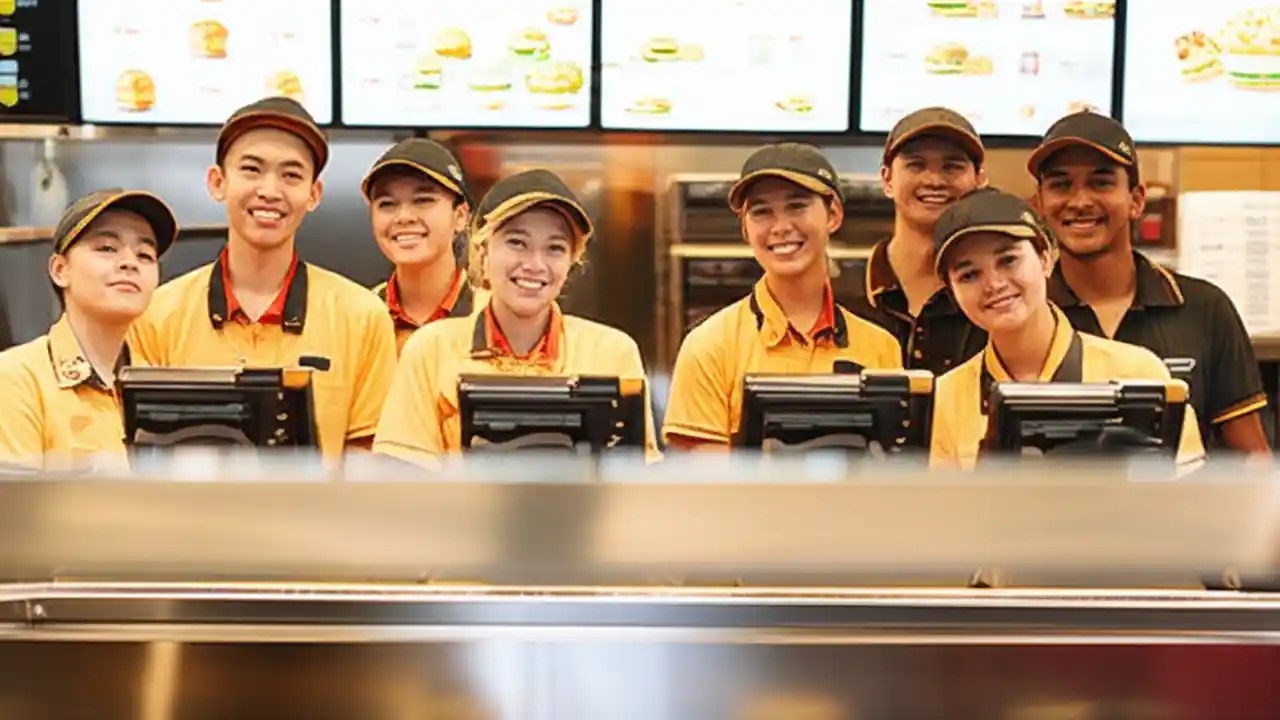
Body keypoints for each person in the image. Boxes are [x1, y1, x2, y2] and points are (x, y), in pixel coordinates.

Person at [128, 97, 397, 459]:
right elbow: (141, 454)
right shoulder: (155, 315)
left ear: (313, 194)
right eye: (252, 169)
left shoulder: (362, 316)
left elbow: (365, 461)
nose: (270, 191)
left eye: (291, 175)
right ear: (217, 182)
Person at [373, 169, 659, 465]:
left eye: (555, 249)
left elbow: (637, 481)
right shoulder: (430, 349)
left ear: (571, 263)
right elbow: (401, 472)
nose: (535, 264)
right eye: (517, 243)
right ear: (483, 254)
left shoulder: (613, 352)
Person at [1028, 111, 1270, 458]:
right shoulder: (1022, 314)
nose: (1079, 201)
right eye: (1060, 184)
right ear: (1038, 204)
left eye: (1101, 182)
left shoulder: (1204, 308)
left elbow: (1251, 460)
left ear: (1136, 200)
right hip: (1051, 511)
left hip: (1180, 511)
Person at [928, 187, 1205, 469]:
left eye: (1008, 260)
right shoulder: (944, 399)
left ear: (1046, 259)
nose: (994, 284)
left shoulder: (1139, 373)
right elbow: (941, 511)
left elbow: (1189, 495)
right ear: (952, 293)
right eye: (969, 275)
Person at [662, 142, 903, 450]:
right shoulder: (709, 346)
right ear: (746, 230)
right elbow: (706, 485)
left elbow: (890, 473)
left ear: (833, 214)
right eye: (762, 212)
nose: (781, 227)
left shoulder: (881, 347)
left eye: (797, 206)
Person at [0, 188, 178, 472]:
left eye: (145, 255)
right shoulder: (15, 379)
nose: (129, 262)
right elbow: (14, 510)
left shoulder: (165, 389)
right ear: (60, 270)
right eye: (107, 248)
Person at [846, 107, 990, 376]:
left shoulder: (994, 299)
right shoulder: (842, 297)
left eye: (952, 166)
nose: (934, 180)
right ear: (887, 180)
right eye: (916, 164)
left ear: (979, 180)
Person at [363, 138, 486, 354]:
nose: (404, 217)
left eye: (423, 200)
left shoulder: (493, 317)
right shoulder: (358, 316)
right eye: (387, 204)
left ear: (460, 216)